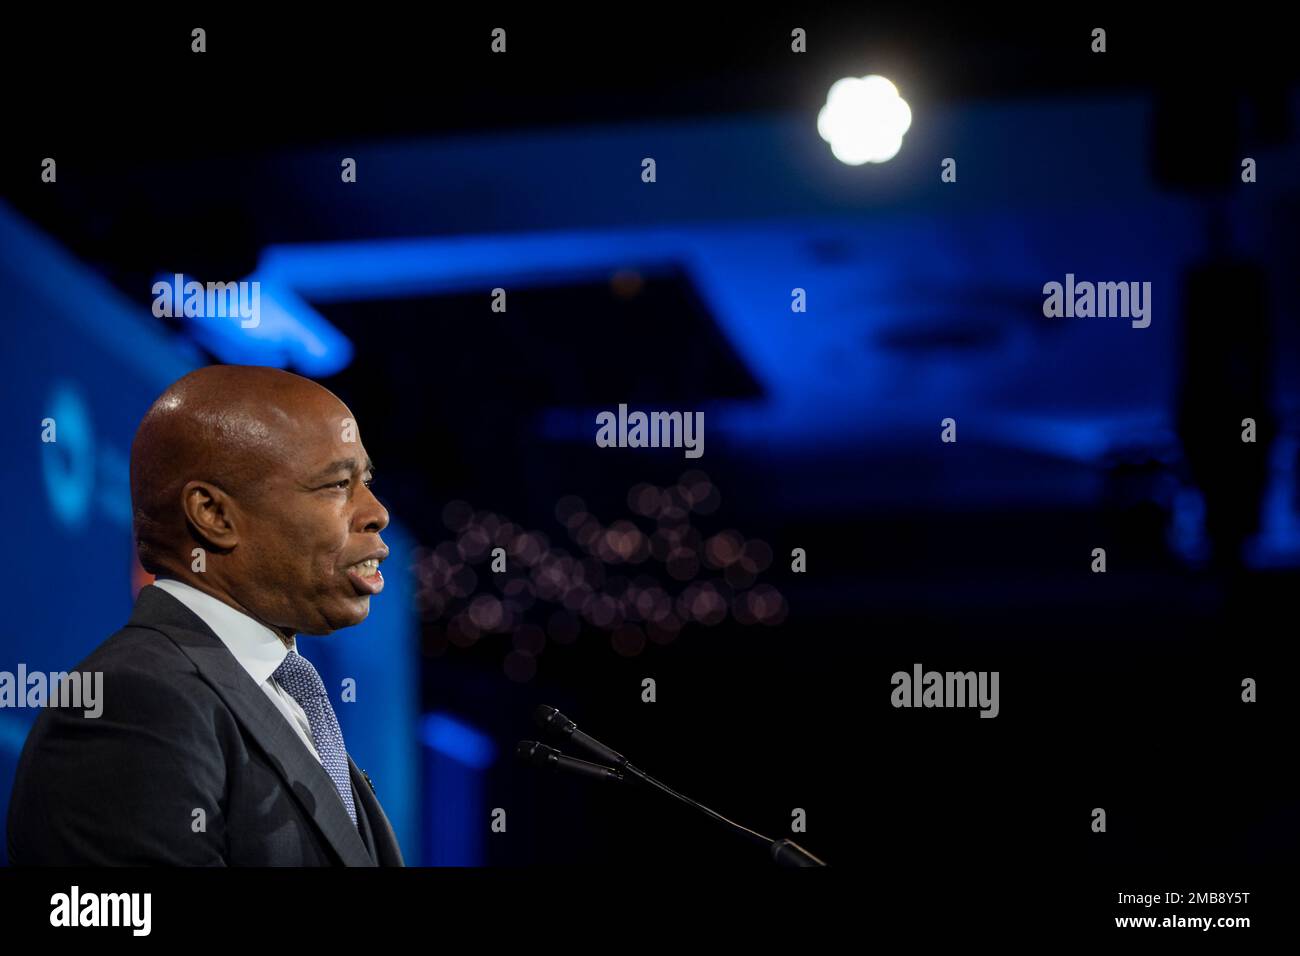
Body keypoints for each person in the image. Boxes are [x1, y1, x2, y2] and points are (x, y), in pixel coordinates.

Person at [7, 365, 403, 865]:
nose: (377, 512)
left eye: (365, 480)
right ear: (214, 515)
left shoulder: (283, 697)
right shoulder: (133, 704)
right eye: (337, 485)